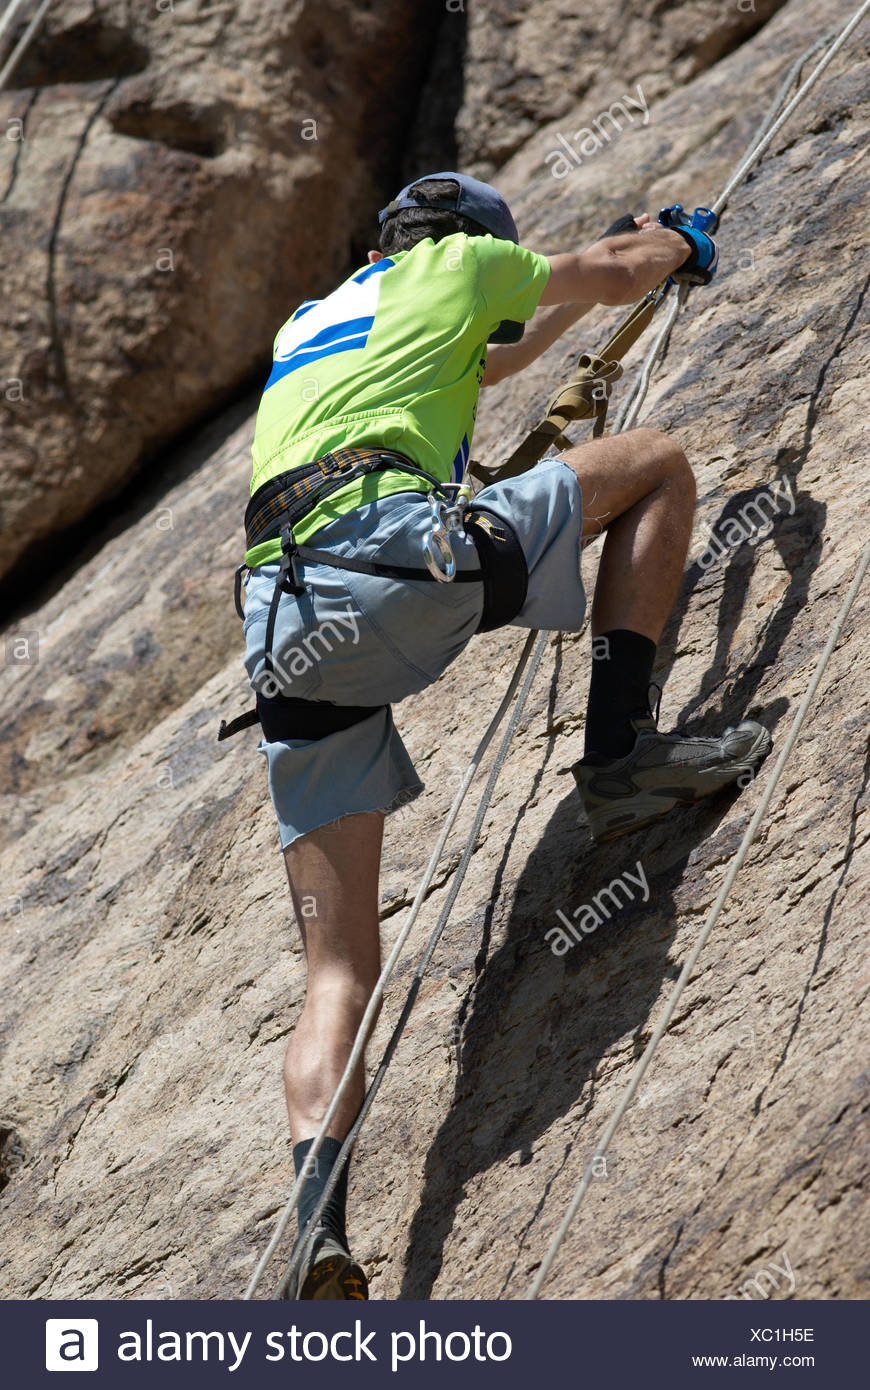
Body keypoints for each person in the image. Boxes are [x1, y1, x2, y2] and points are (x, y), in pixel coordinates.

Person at [236, 173, 771, 1298]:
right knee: (660, 460)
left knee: (336, 965)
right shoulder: (463, 267)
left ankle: (312, 1224)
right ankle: (622, 754)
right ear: (478, 246)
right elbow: (615, 277)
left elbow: (504, 353)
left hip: (283, 622)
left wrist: (599, 273)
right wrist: (670, 245)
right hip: (394, 561)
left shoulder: (318, 318)